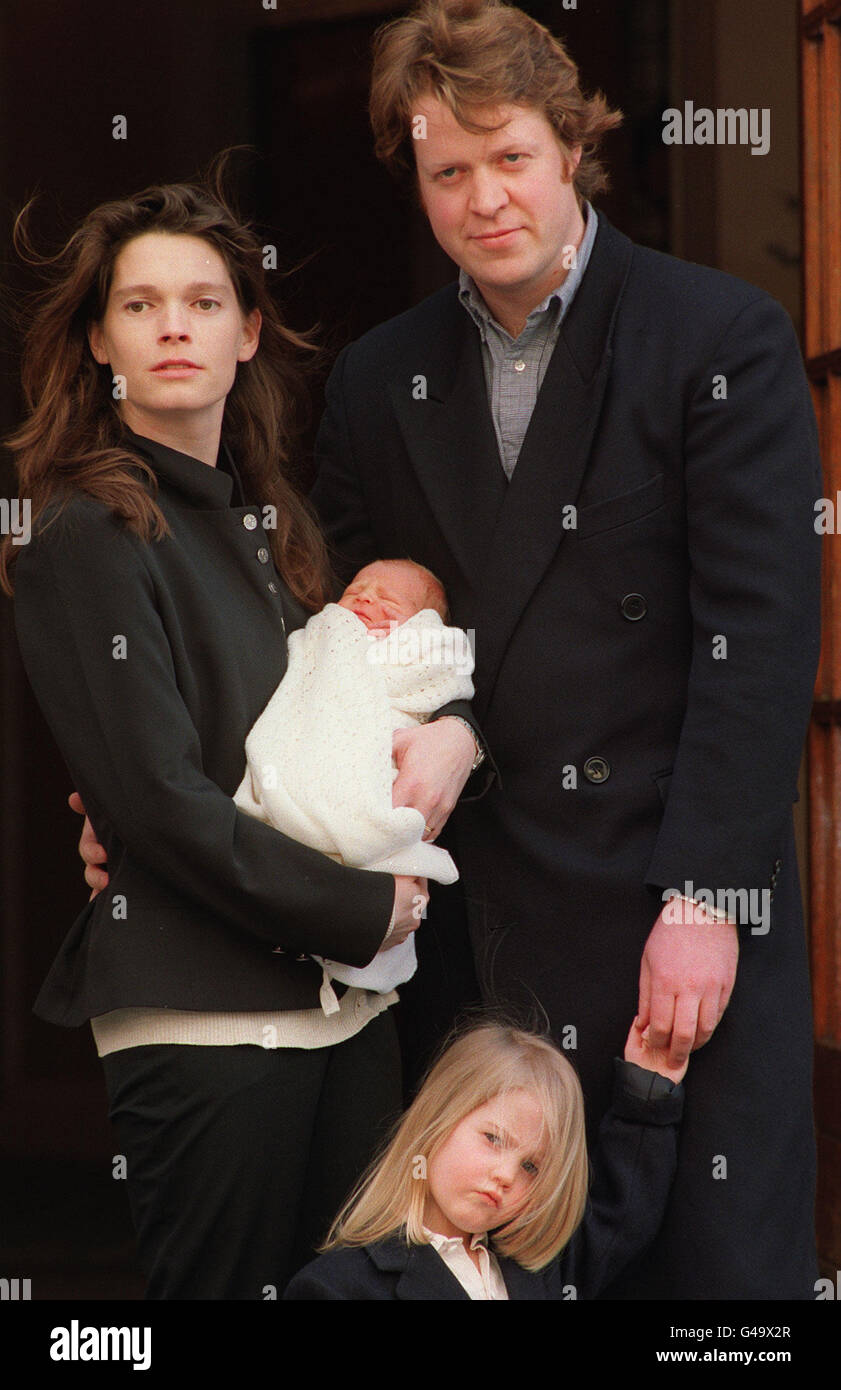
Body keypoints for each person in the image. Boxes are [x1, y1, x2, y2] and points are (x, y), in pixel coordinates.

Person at [306, 0, 823, 1299]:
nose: (486, 197)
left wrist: (707, 899)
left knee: (710, 1293)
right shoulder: (375, 381)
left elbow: (753, 646)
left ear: (573, 145)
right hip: (484, 948)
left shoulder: (717, 338)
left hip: (674, 921)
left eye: (511, 155)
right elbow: (350, 635)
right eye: (448, 169)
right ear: (414, 183)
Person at [1, 169, 481, 1299]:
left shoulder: (275, 522)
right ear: (98, 342)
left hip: (344, 1010)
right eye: (140, 303)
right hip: (208, 1014)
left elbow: (370, 684)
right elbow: (156, 803)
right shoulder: (83, 532)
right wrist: (366, 908)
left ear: (249, 332)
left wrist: (458, 730)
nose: (175, 324)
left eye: (205, 301)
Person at [284, 1017, 687, 1300]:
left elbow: (621, 1214)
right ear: (437, 1119)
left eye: (531, 1167)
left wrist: (646, 1091)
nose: (506, 1175)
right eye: (494, 1139)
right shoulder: (338, 1287)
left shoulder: (541, 1274)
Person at [233, 558, 475, 1008]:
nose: (366, 599)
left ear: (422, 625)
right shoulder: (317, 640)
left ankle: (359, 864)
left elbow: (439, 677)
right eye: (357, 590)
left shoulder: (423, 650)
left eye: (388, 600)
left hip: (384, 759)